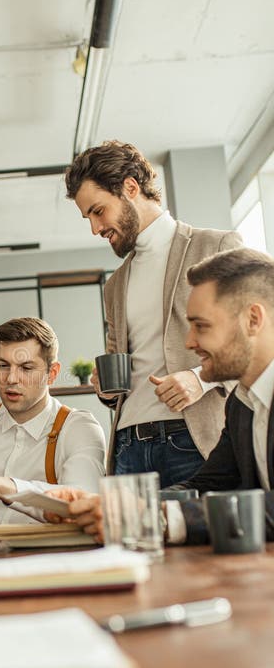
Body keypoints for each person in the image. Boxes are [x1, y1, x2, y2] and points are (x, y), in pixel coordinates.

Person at [47, 249, 274, 545]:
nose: (190, 342)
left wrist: (157, 518)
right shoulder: (242, 403)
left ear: (253, 319)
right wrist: (111, 506)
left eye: (201, 326)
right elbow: (210, 484)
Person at [64, 140, 243, 486]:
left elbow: (256, 343)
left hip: (192, 440)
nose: (95, 229)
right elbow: (122, 374)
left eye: (98, 211)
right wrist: (106, 388)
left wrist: (201, 379)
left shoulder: (215, 247)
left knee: (200, 538)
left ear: (130, 188)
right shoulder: (114, 284)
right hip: (128, 446)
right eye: (88, 217)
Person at [0, 317, 105, 523]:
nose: (11, 379)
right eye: (3, 365)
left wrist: (4, 485)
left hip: (52, 554)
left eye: (26, 368)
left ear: (52, 374)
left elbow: (82, 502)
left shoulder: (79, 428)